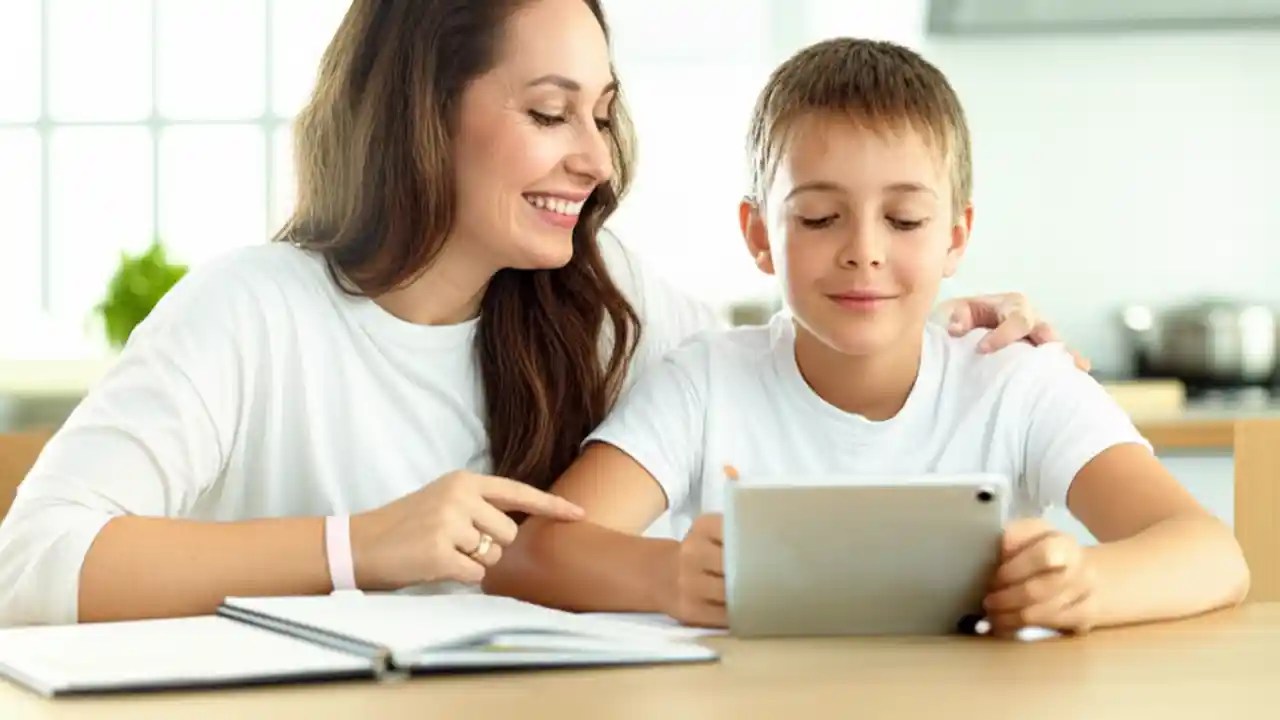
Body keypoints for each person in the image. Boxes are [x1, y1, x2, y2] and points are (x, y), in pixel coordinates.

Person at [0, 0, 1070, 628]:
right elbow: (35, 564)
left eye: (600, 116)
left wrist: (929, 329)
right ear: (421, 110)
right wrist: (357, 546)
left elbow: (799, 361)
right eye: (549, 112)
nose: (595, 159)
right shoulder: (252, 311)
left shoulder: (612, 305)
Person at [484, 37, 1250, 636]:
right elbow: (535, 553)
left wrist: (1088, 585)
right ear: (759, 235)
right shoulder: (706, 380)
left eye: (905, 219)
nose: (865, 250)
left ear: (956, 237)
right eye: (819, 218)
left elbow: (1211, 553)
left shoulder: (1017, 381)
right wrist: (666, 576)